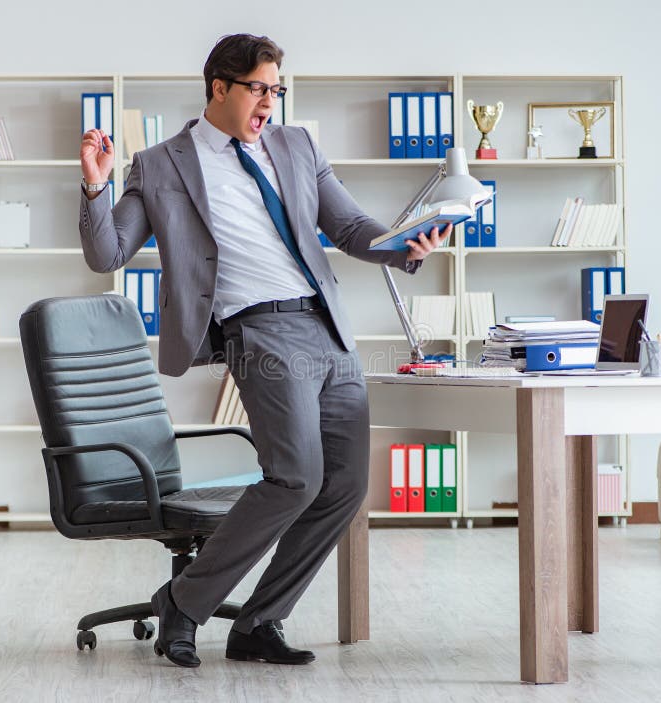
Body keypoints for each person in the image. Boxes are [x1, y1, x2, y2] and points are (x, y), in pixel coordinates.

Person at [78, 33, 450, 669]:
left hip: (328, 327)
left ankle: (259, 622)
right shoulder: (163, 163)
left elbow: (351, 228)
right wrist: (95, 190)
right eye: (258, 88)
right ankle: (185, 603)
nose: (269, 103)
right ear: (219, 88)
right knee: (295, 476)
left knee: (344, 485)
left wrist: (405, 246)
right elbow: (106, 254)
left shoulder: (297, 145)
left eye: (276, 90)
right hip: (260, 332)